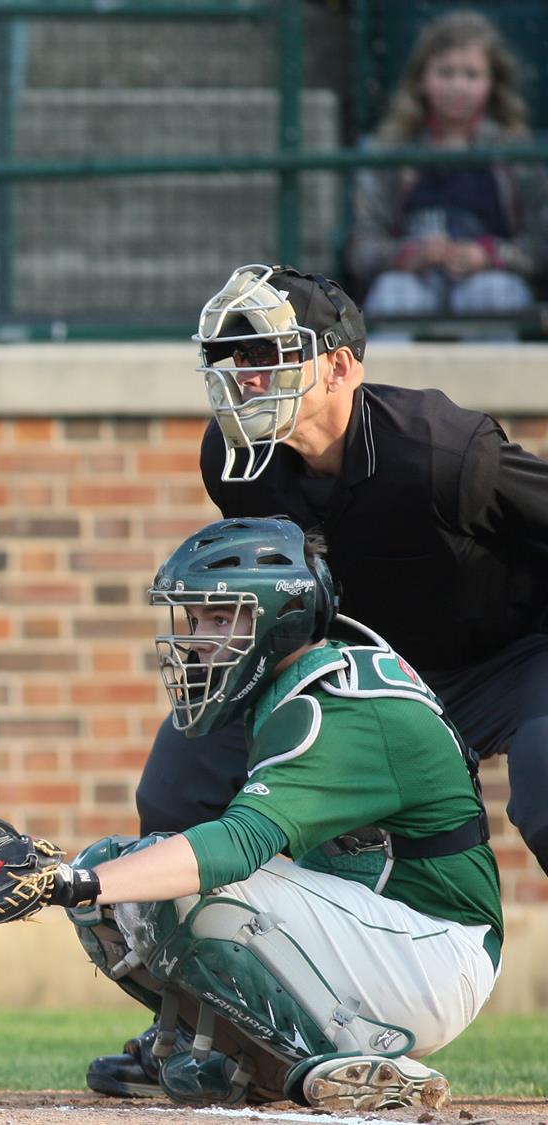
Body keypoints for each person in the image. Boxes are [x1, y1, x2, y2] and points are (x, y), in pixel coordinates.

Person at [90, 262, 548, 1099]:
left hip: (511, 659)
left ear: (339, 365)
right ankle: (200, 1030)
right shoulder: (234, 459)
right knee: (179, 782)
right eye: (231, 358)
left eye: (264, 356)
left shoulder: (443, 450)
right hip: (360, 672)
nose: (242, 377)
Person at [56, 518, 498, 1111]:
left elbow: (237, 847)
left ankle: (360, 1056)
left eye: (220, 618)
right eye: (195, 620)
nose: (196, 640)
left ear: (281, 617)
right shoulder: (297, 682)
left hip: (434, 957)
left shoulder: (340, 706)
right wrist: (89, 881)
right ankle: (249, 1061)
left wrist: (70, 882)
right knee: (117, 877)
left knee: (158, 882)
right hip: (388, 937)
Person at [345, 9, 547, 318]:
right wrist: (411, 255)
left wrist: (490, 255)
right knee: (395, 294)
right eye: (446, 72)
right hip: (412, 282)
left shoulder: (516, 152)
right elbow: (361, 248)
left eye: (471, 75)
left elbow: (540, 244)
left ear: (492, 82)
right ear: (422, 78)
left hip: (490, 280)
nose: (458, 86)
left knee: (491, 293)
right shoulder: (388, 149)